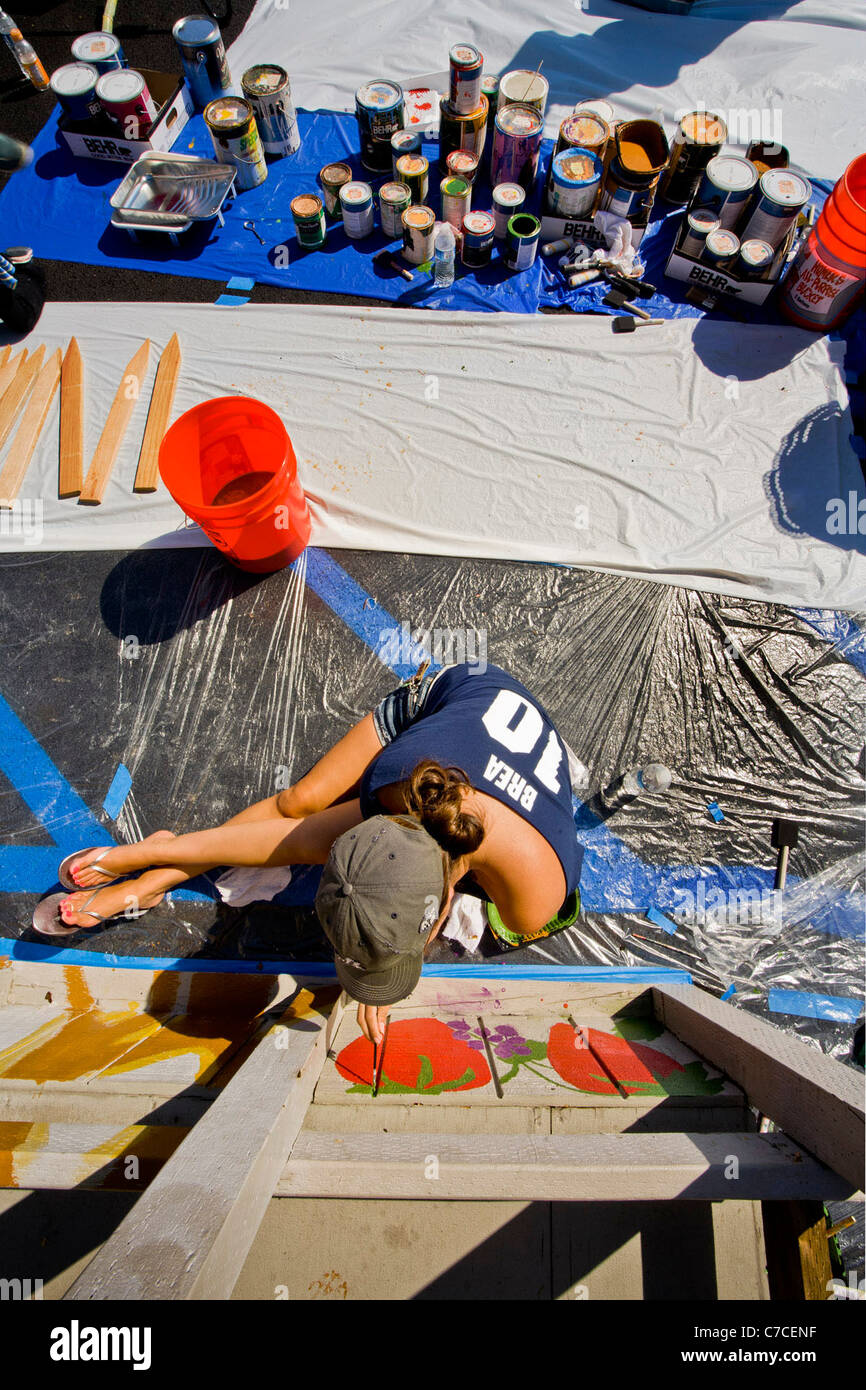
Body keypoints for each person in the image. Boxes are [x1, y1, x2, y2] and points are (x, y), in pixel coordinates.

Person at [43, 663, 584, 1043]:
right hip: (452, 696)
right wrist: (141, 859)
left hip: (492, 736)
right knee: (298, 800)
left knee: (302, 816)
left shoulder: (534, 900)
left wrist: (392, 956)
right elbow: (289, 836)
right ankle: (146, 875)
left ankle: (150, 873)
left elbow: (435, 885)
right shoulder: (406, 785)